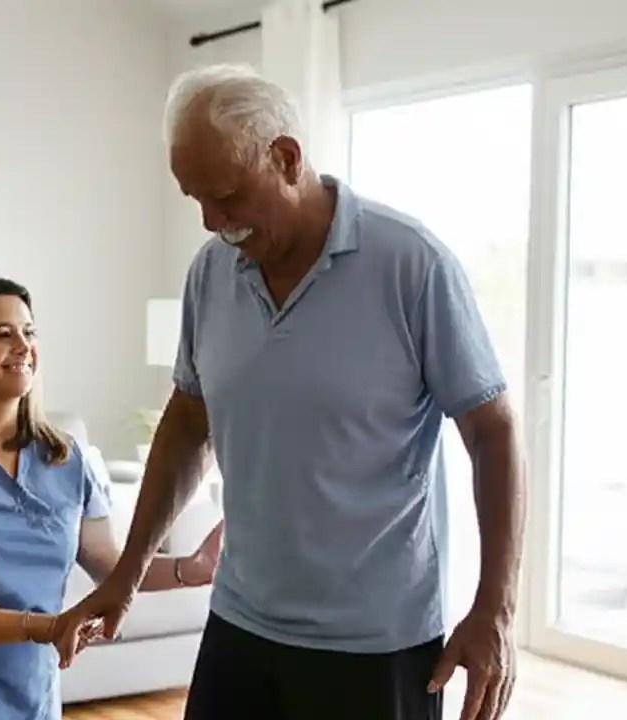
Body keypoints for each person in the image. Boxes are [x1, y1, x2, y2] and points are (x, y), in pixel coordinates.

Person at [54, 65, 527, 720]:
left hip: (376, 644)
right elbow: (189, 423)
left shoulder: (411, 264)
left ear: (285, 157)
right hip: (241, 627)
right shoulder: (211, 275)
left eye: (227, 196)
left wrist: (495, 609)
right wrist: (127, 572)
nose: (212, 222)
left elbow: (493, 430)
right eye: (194, 199)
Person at [0, 276, 225, 720]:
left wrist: (191, 569)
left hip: (28, 696)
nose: (22, 345)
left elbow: (111, 567)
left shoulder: (67, 458)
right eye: (3, 334)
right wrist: (47, 627)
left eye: (29, 332)